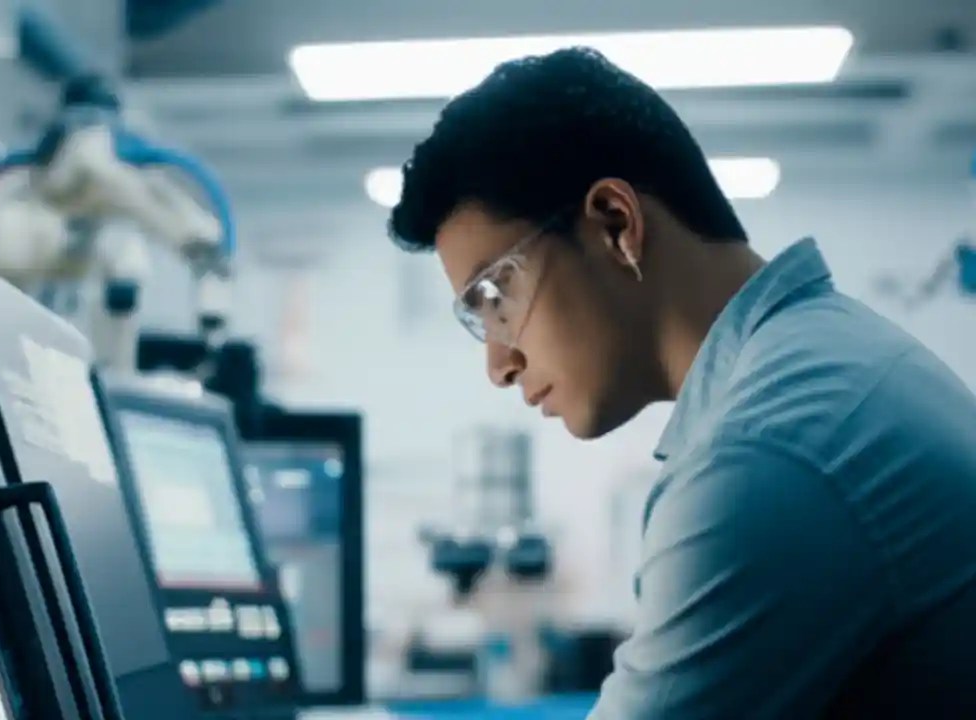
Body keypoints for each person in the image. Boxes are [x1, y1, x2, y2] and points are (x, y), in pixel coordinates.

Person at [388, 47, 976, 719]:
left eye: (496, 296)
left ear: (615, 223)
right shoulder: (830, 359)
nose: (498, 365)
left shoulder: (766, 452)